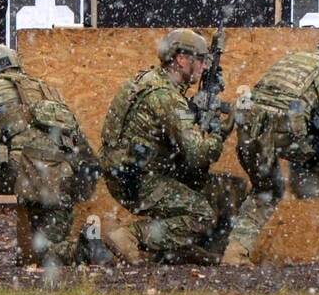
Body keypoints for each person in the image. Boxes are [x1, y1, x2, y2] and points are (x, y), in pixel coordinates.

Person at [222, 24, 319, 268]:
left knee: (268, 188)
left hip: (249, 129)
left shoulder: (297, 58)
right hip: (288, 131)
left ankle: (235, 251)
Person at [0, 44, 100, 267]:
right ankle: (80, 250)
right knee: (47, 251)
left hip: (19, 170)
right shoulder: (47, 90)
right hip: (60, 175)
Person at [99, 29, 231, 264]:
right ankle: (131, 235)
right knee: (202, 214)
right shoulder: (166, 96)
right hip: (136, 180)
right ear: (181, 60)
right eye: (200, 60)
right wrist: (220, 130)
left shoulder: (149, 80)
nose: (203, 67)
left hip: (126, 171)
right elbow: (199, 152)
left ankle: (176, 250)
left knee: (198, 180)